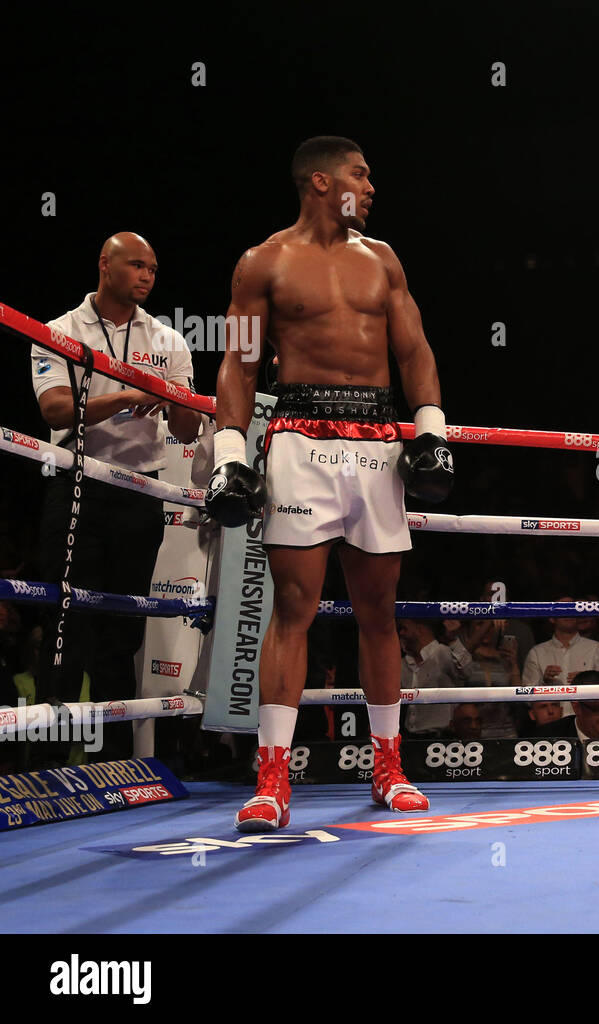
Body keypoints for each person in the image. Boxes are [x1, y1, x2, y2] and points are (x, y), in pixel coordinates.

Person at [206, 136, 454, 831]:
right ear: (320, 181)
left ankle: (388, 766)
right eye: (360, 173)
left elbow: (414, 350)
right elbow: (242, 363)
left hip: (377, 441)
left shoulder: (383, 260)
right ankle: (271, 778)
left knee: (380, 611)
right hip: (299, 440)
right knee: (294, 607)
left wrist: (430, 429)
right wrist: (232, 450)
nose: (371, 185)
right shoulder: (265, 262)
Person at [31, 233, 201, 759]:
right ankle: (48, 763)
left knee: (122, 629)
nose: (147, 276)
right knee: (66, 621)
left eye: (153, 267)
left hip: (138, 493)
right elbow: (56, 410)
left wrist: (170, 396)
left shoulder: (169, 340)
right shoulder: (59, 330)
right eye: (136, 265)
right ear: (105, 265)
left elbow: (190, 428)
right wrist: (128, 393)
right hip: (78, 482)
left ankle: (114, 763)